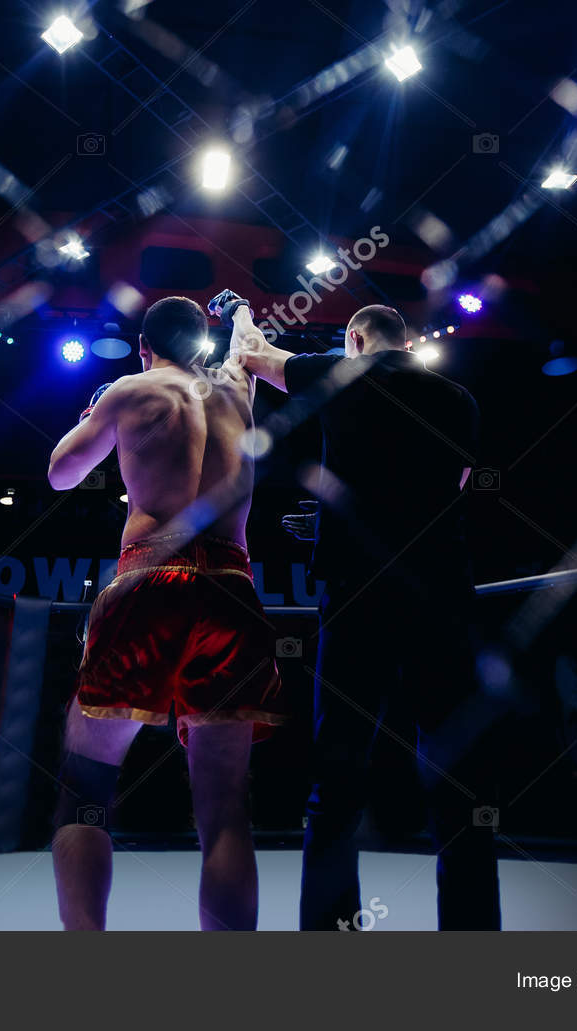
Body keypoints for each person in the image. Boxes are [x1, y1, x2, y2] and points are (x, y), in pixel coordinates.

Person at [211, 291, 500, 931]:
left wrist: (238, 314)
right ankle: (475, 933)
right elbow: (447, 489)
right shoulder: (460, 400)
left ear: (356, 341)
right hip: (443, 598)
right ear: (406, 342)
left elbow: (254, 357)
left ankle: (329, 931)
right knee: (458, 775)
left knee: (338, 771)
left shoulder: (340, 372)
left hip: (359, 594)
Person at [45, 295, 285, 930]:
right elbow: (247, 347)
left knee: (85, 789)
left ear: (144, 347)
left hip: (149, 575)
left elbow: (61, 475)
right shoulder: (236, 389)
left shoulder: (131, 387)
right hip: (231, 588)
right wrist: (237, 313)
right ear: (201, 345)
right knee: (225, 809)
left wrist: (94, 418)